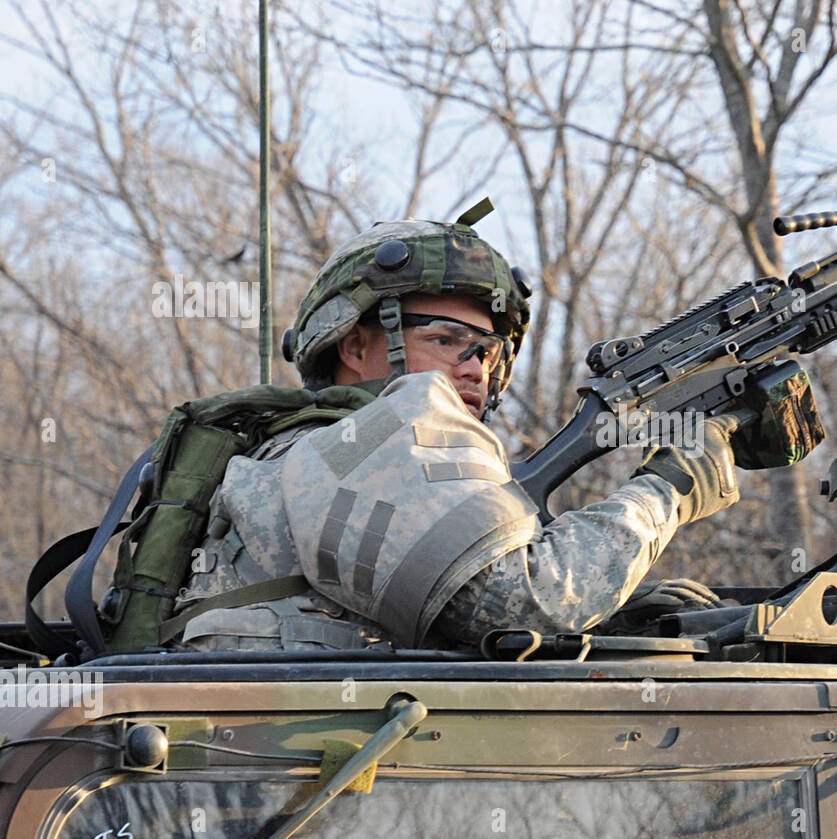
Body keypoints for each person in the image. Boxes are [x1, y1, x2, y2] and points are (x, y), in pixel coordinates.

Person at [170, 210, 744, 653]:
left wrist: (607, 610)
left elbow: (447, 619)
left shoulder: (305, 452)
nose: (475, 369)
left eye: (488, 353)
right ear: (355, 345)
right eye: (444, 341)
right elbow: (524, 601)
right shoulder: (358, 449)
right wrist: (668, 488)